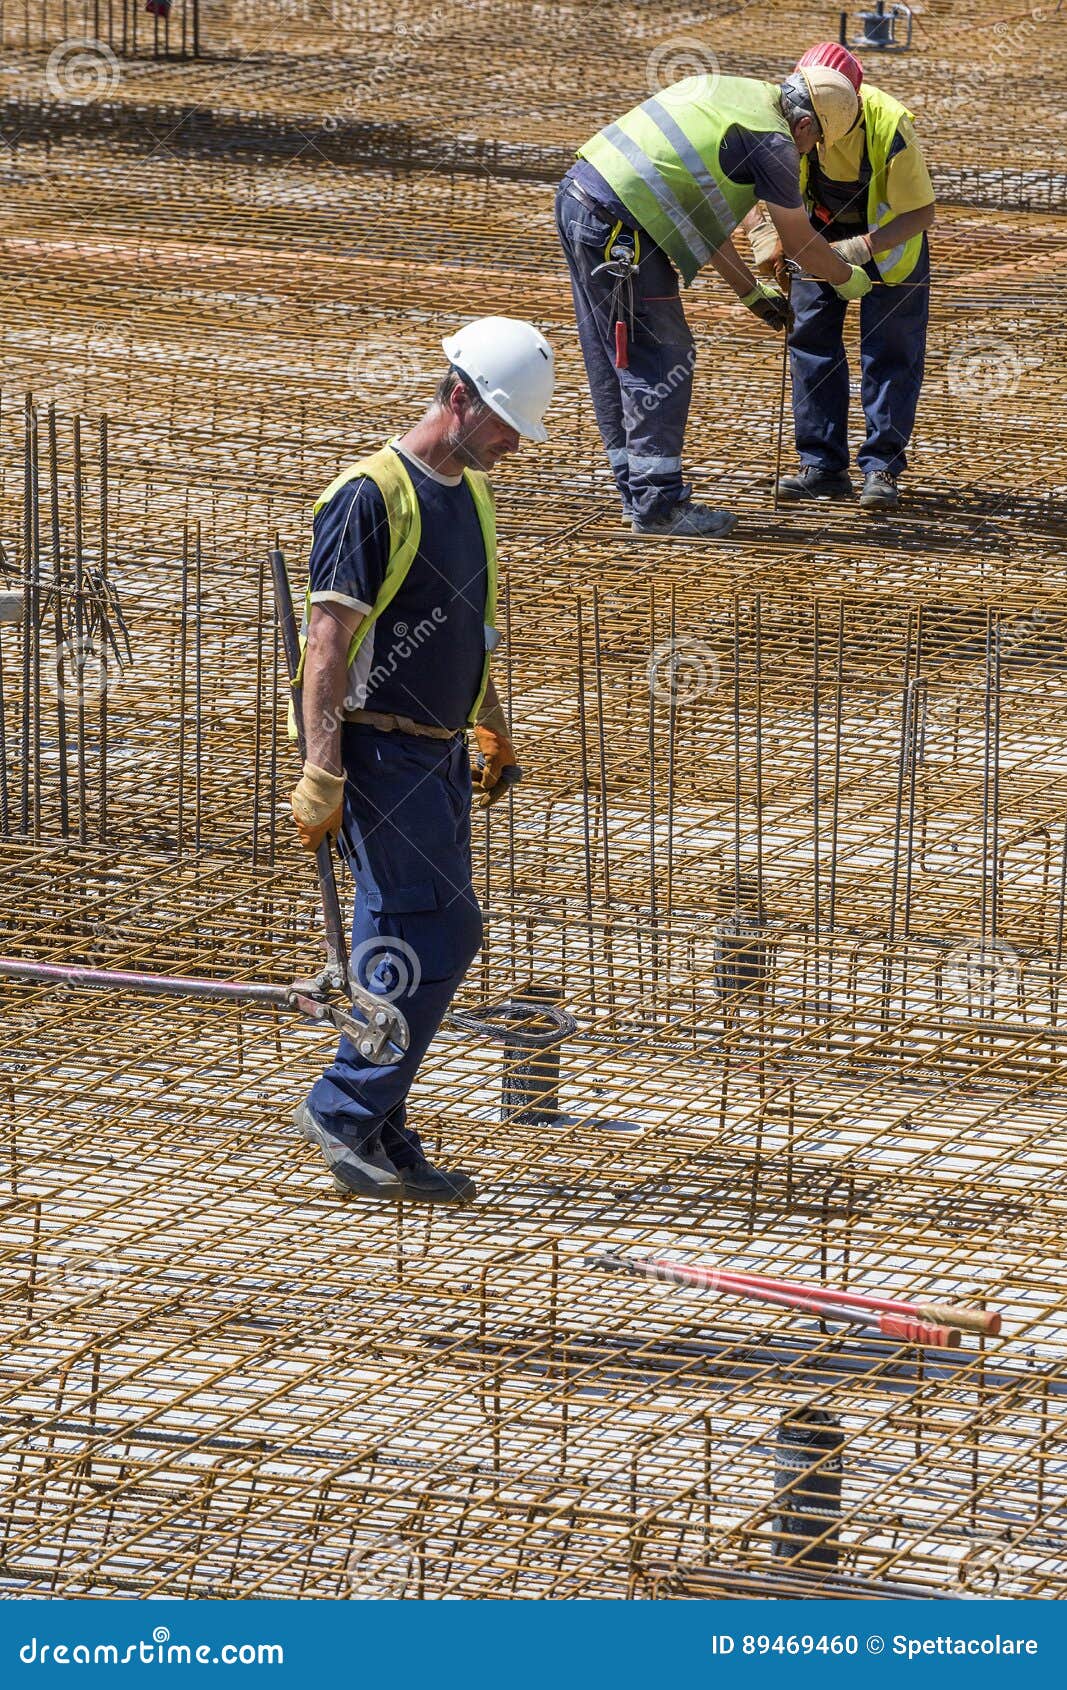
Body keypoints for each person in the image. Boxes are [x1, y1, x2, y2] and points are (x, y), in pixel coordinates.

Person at [288, 317, 554, 1205]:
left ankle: (376, 1115)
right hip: (378, 753)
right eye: (506, 424)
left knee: (409, 940)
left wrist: (491, 724)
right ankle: (346, 1104)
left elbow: (466, 628)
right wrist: (323, 770)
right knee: (424, 935)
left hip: (436, 756)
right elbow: (327, 648)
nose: (514, 445)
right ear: (460, 397)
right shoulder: (369, 496)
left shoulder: (469, 493)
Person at [556, 65, 871, 538]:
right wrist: (847, 277)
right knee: (660, 357)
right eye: (817, 143)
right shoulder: (775, 142)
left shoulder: (737, 95)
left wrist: (749, 292)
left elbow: (697, 214)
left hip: (581, 199)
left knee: (614, 352)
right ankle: (659, 505)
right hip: (623, 227)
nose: (811, 154)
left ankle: (636, 492)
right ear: (806, 125)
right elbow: (800, 241)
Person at [773, 42, 936, 511]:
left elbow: (921, 211)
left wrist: (862, 247)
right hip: (817, 231)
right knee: (810, 339)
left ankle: (881, 466)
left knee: (889, 353)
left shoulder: (890, 125)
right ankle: (822, 465)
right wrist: (771, 236)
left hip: (889, 245)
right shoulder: (789, 115)